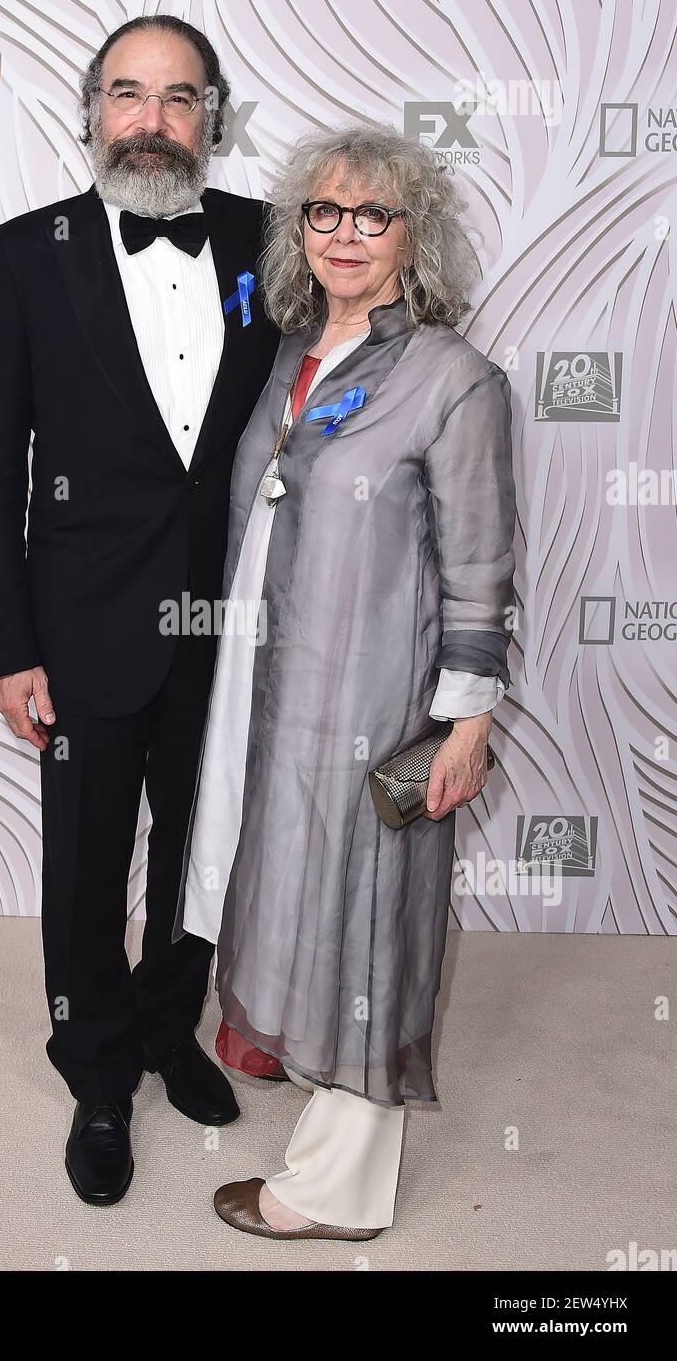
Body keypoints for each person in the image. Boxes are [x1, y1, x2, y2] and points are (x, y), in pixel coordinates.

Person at [173, 122, 517, 1240]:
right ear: (298, 229)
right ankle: (294, 1066)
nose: (346, 234)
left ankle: (335, 1193)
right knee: (296, 898)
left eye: (375, 214)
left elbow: (478, 566)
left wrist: (464, 723)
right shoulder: (287, 355)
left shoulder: (454, 381)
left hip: (379, 704)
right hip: (273, 692)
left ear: (416, 237)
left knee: (375, 927)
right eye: (325, 211)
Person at [0, 15, 280, 1206]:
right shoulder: (21, 253)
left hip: (226, 622)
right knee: (87, 864)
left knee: (201, 848)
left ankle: (163, 1027)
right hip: (82, 622)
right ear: (90, 109)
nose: (152, 120)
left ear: (212, 115)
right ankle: (96, 1072)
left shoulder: (268, 239)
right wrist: (12, 647)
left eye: (179, 97)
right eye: (128, 94)